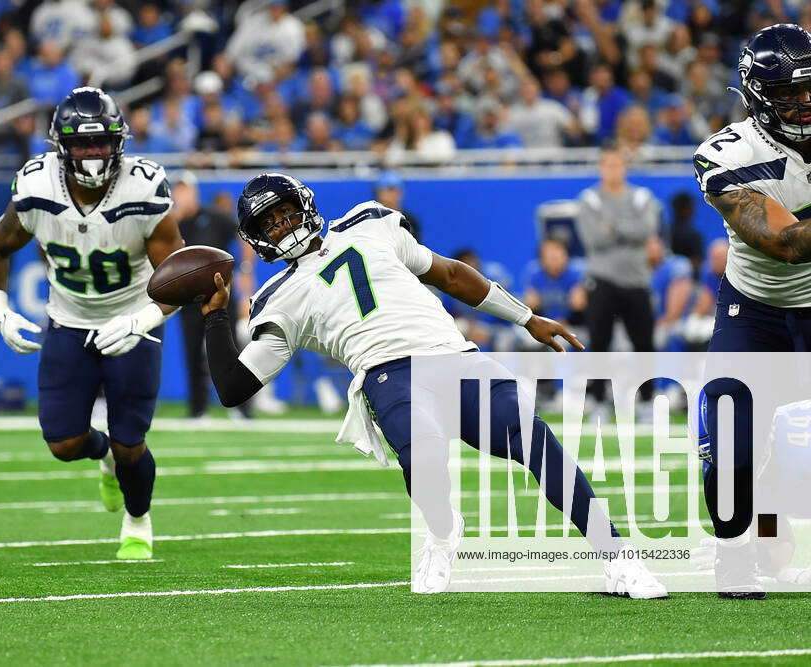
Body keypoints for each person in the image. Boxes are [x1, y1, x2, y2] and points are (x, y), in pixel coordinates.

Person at [193, 173, 666, 599]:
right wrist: (214, 316)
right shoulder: (279, 298)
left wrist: (526, 318)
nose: (283, 224)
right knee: (425, 456)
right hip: (386, 373)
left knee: (533, 437)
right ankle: (441, 535)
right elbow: (234, 387)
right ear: (258, 238)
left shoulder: (369, 221)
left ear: (305, 203)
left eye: (284, 211)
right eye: (269, 222)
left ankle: (617, 557)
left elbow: (451, 275)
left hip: (453, 355)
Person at [0, 88, 183, 560]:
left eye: (101, 143)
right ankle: (102, 455)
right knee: (64, 444)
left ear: (119, 142)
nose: (93, 155)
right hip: (69, 321)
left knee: (131, 444)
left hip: (133, 319)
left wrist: (144, 319)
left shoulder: (144, 186)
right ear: (60, 145)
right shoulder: (36, 185)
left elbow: (177, 273)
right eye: (82, 144)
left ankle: (138, 520)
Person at [692, 23, 811, 598]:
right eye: (793, 92)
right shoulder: (729, 154)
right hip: (757, 309)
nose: (806, 102)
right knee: (734, 442)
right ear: (760, 94)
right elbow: (784, 244)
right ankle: (734, 552)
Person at [575, 145, 661, 412]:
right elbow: (593, 239)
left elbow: (647, 229)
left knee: (644, 343)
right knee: (600, 342)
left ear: (625, 167)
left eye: (617, 164)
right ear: (602, 168)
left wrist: (613, 225)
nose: (613, 170)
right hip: (602, 279)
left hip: (636, 280)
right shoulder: (589, 199)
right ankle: (599, 399)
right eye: (608, 165)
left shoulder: (641, 197)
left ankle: (646, 399)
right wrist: (628, 229)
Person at [170, 170, 254, 419]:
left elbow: (244, 237)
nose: (183, 194)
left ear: (194, 192)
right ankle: (198, 411)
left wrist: (246, 271)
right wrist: (175, 217)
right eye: (179, 190)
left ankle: (243, 409)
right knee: (192, 353)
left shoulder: (215, 217)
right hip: (188, 297)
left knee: (232, 351)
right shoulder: (173, 223)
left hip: (220, 294)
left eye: (186, 190)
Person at [646, 236, 693, 351]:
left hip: (673, 323)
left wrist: (657, 325)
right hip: (647, 324)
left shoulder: (676, 265)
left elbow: (675, 313)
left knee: (667, 335)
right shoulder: (637, 270)